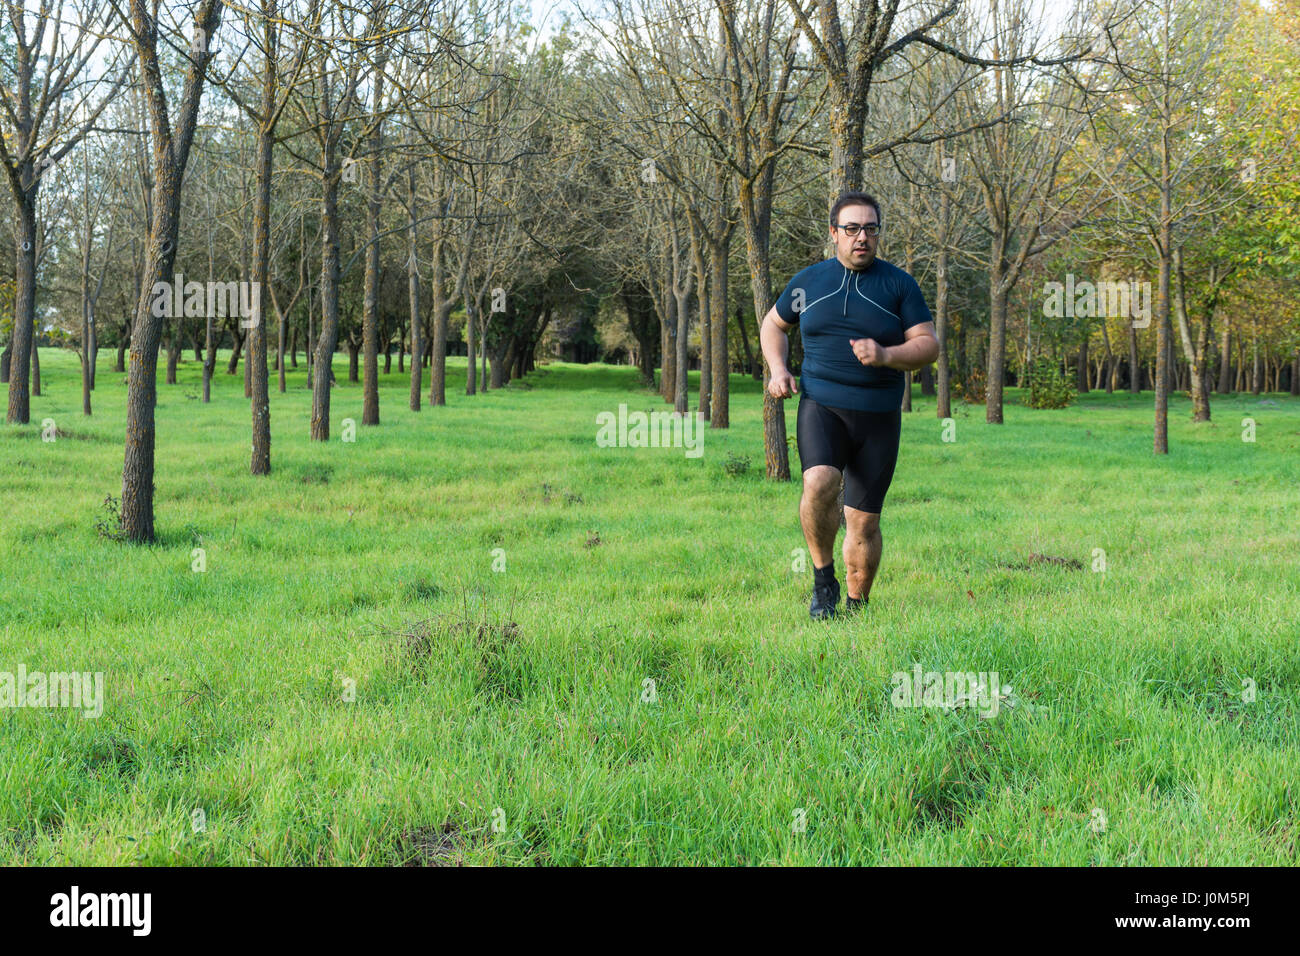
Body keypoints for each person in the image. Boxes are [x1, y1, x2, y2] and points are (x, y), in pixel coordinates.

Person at [759, 190, 940, 620]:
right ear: (834, 234)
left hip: (878, 418)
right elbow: (774, 323)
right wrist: (778, 369)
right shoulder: (808, 283)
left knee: (863, 524)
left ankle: (858, 608)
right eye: (852, 228)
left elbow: (928, 345)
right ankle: (824, 585)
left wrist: (887, 355)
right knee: (819, 483)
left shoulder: (898, 285)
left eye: (870, 229)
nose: (862, 237)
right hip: (823, 405)